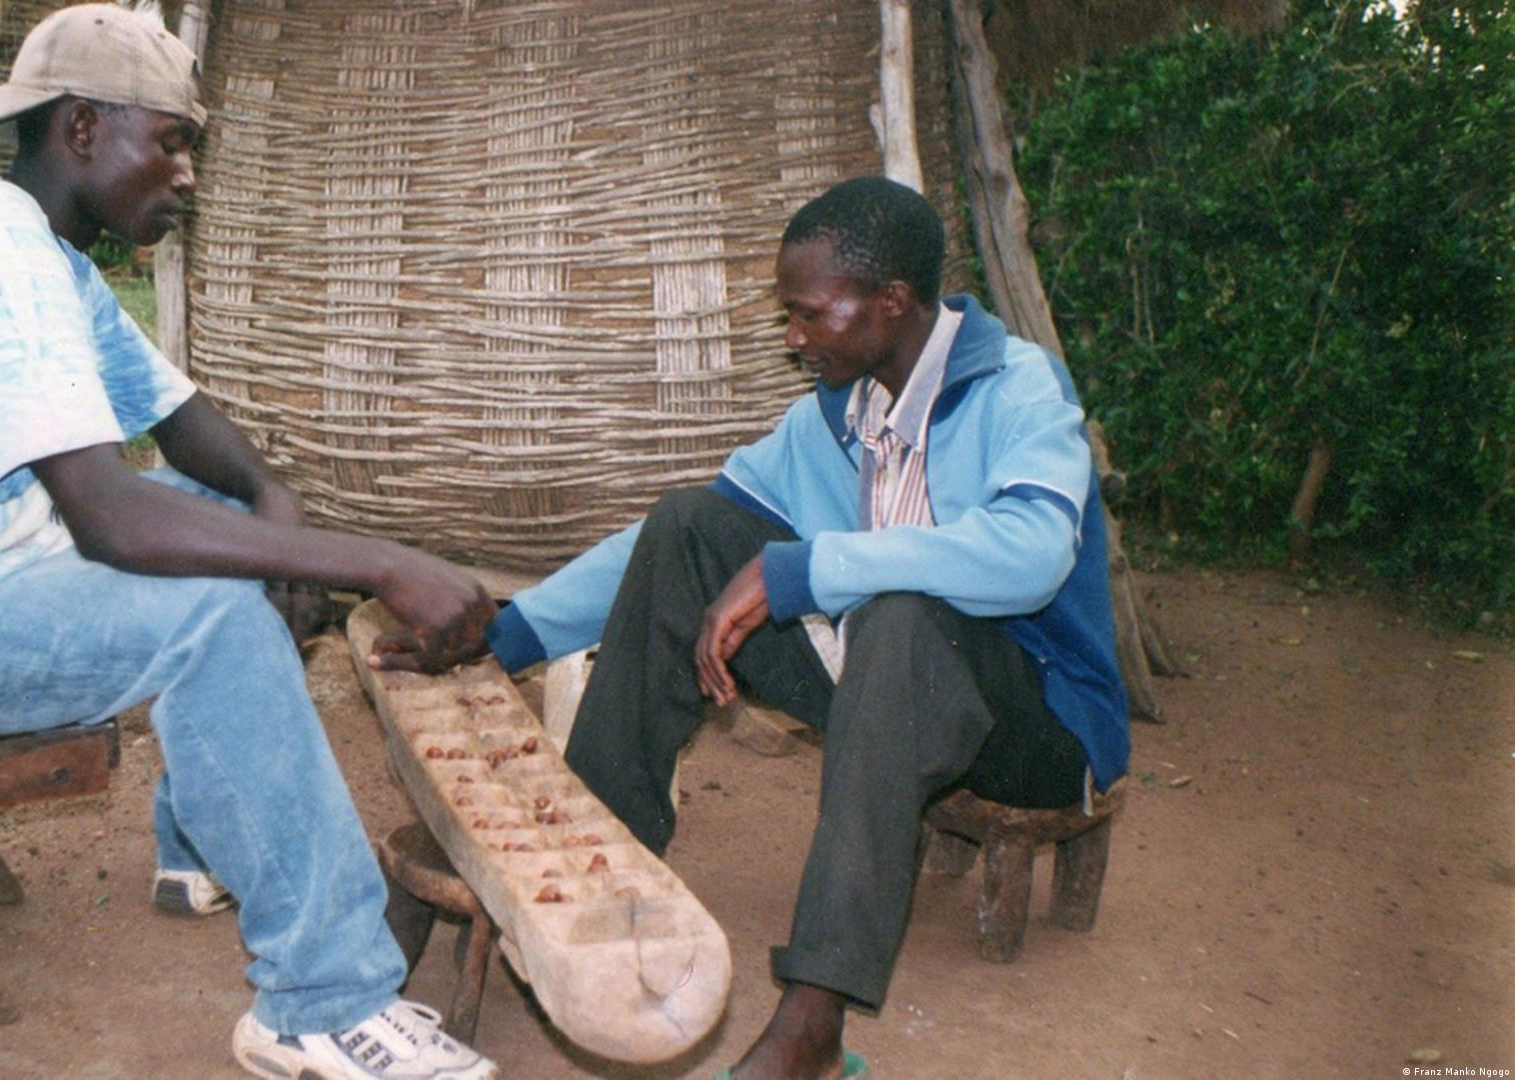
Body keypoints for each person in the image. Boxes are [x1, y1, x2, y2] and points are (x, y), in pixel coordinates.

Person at [0, 7, 497, 1079]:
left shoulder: (44, 256)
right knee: (210, 611)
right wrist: (379, 562)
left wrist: (278, 514)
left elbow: (201, 439)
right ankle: (321, 1005)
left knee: (242, 541)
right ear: (80, 129)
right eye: (171, 141)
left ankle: (197, 843)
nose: (186, 172)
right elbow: (112, 522)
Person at [373, 176, 1129, 1079]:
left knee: (898, 613)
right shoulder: (844, 410)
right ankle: (596, 876)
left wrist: (809, 568)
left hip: (1038, 723)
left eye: (810, 314)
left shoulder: (1019, 388)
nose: (792, 337)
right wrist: (510, 632)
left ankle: (813, 1022)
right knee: (689, 525)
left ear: (891, 302)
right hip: (895, 683)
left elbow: (1031, 552)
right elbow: (672, 546)